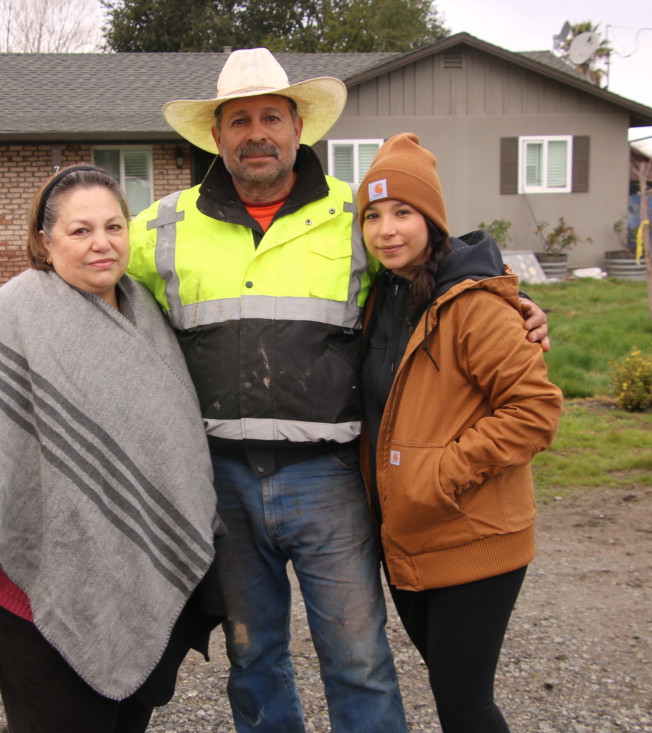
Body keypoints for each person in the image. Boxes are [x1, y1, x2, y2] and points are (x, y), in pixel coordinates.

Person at [128, 49, 549, 732]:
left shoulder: (355, 217)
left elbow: (441, 265)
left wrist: (514, 304)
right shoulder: (162, 227)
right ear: (216, 135)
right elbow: (82, 264)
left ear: (299, 130)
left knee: (357, 656)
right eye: (239, 120)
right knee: (253, 656)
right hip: (221, 480)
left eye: (272, 117)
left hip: (329, 478)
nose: (255, 132)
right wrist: (9, 306)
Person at [0, 164, 222, 733]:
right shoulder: (10, 316)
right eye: (80, 231)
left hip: (132, 570)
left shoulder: (142, 309)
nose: (102, 244)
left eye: (114, 226)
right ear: (43, 240)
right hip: (28, 578)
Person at [357, 133, 563, 731]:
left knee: (465, 703)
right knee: (454, 692)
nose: (386, 230)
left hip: (471, 534)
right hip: (412, 535)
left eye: (403, 213)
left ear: (434, 219)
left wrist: (441, 473)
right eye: (373, 216)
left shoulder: (473, 306)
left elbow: (535, 409)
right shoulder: (384, 297)